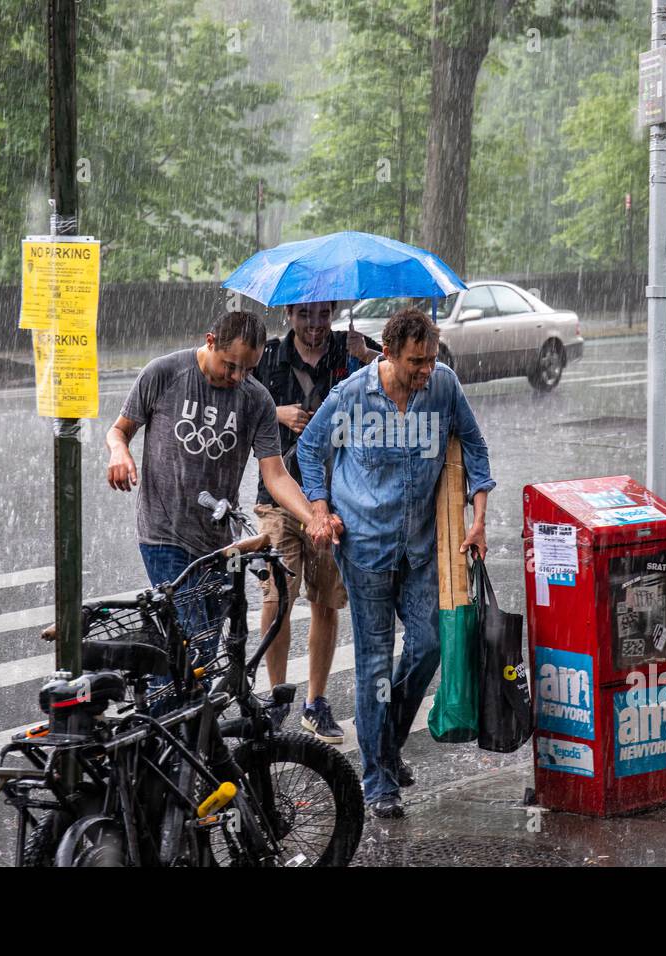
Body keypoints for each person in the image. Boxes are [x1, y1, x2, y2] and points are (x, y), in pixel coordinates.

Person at [296, 308, 495, 818]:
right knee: (375, 662)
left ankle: (386, 739)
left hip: (421, 548)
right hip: (364, 547)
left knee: (429, 644)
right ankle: (378, 778)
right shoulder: (352, 395)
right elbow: (309, 448)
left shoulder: (444, 386)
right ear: (388, 353)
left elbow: (475, 446)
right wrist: (320, 507)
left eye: (429, 360)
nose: (424, 370)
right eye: (415, 362)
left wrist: (479, 518)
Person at [106, 311, 340, 688]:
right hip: (163, 533)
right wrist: (119, 452)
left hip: (218, 541)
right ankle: (165, 726)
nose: (237, 377)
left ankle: (171, 726)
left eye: (248, 369)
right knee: (194, 643)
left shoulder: (256, 399)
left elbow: (275, 473)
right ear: (210, 340)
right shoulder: (164, 373)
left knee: (203, 650)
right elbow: (120, 431)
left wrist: (312, 515)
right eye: (230, 366)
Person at [252, 301, 381, 739]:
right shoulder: (268, 357)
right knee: (277, 597)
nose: (314, 326)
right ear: (289, 316)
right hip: (277, 496)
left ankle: (316, 700)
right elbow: (236, 395)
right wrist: (277, 413)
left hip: (334, 498)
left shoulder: (351, 353)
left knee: (326, 599)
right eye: (305, 316)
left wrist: (366, 357)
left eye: (323, 315)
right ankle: (276, 695)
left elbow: (405, 372)